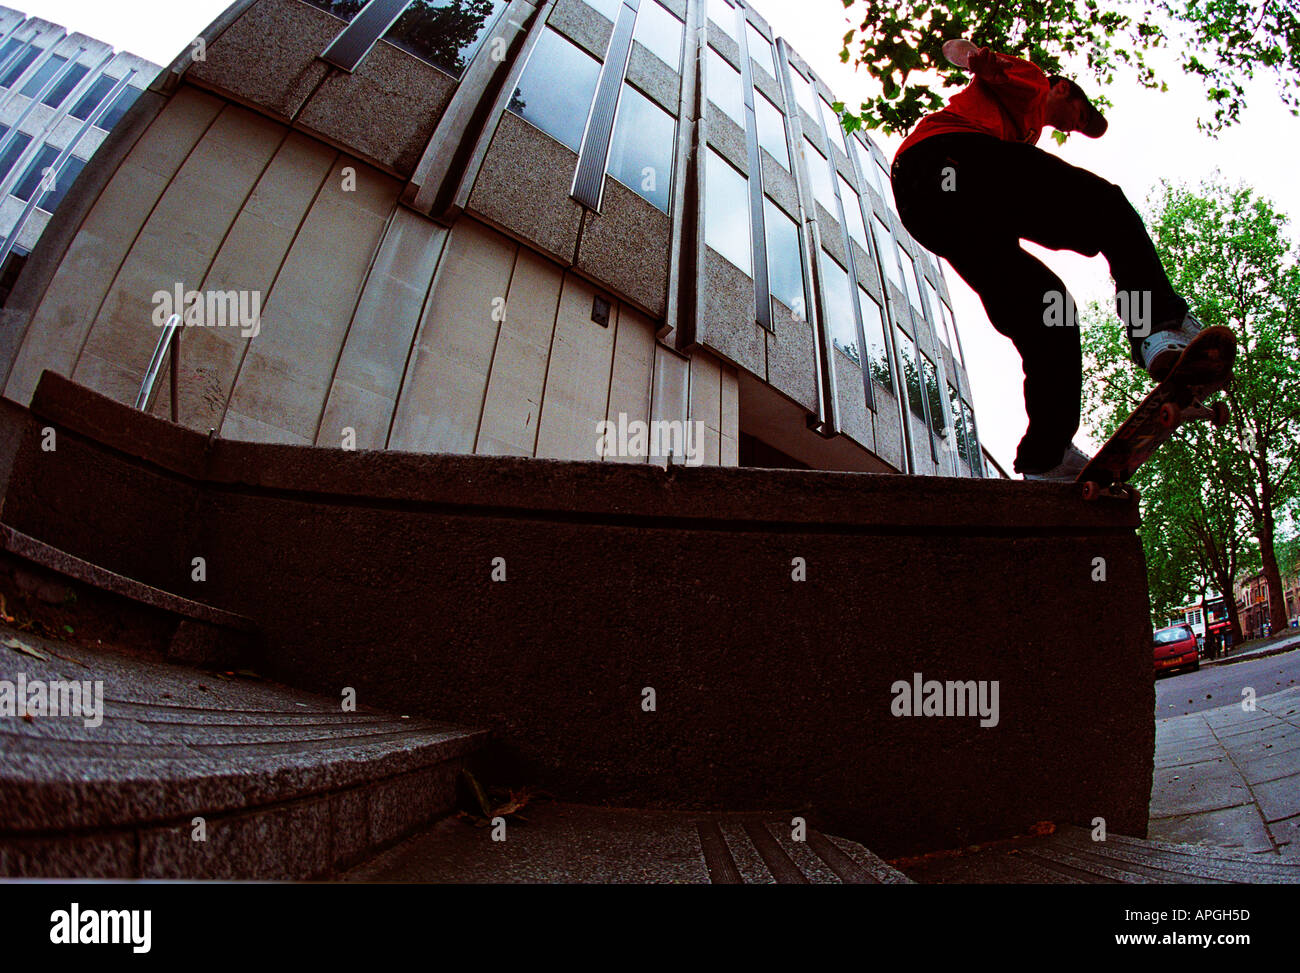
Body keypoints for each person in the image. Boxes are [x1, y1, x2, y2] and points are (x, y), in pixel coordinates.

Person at [890, 39, 1203, 480]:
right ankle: (1155, 325)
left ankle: (1046, 455)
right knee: (1107, 208)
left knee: (1049, 310)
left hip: (931, 207)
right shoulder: (1035, 82)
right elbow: (979, 61)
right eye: (1077, 116)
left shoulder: (1016, 130)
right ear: (1065, 91)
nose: (1070, 127)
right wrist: (977, 59)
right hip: (950, 160)